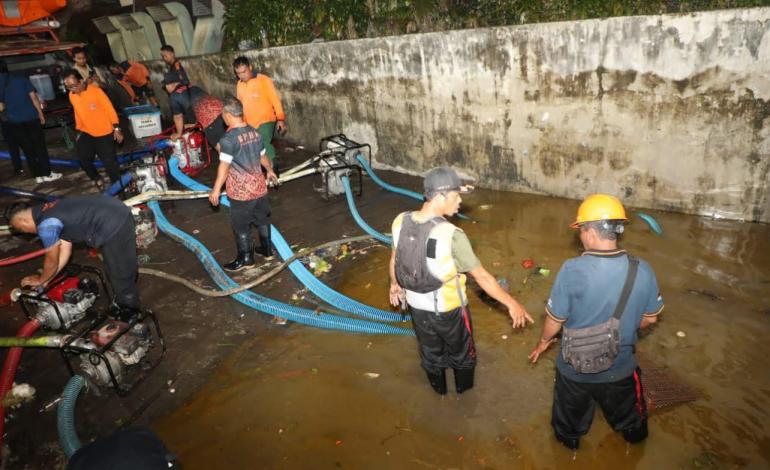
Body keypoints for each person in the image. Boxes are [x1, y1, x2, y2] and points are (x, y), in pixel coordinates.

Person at [528, 194, 664, 450]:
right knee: (633, 425)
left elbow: (555, 321)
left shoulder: (571, 269)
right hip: (620, 368)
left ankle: (569, 454)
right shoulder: (642, 269)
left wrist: (544, 342)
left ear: (590, 232)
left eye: (580, 230)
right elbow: (650, 318)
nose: (580, 236)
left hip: (574, 370)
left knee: (567, 430)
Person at [389, 167, 533, 395]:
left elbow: (396, 258)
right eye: (456, 196)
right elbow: (482, 276)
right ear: (440, 197)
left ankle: (440, 394)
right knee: (463, 355)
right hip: (450, 311)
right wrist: (512, 303)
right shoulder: (451, 234)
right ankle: (464, 397)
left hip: (417, 307)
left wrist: (395, 284)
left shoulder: (400, 221)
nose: (460, 202)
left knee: (430, 353)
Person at [7, 195, 141, 319]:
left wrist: (40, 280)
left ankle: (129, 311)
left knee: (119, 270)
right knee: (118, 263)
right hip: (115, 209)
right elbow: (65, 250)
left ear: (22, 221)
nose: (23, 232)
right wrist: (48, 279)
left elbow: (52, 261)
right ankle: (125, 294)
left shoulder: (46, 226)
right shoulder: (46, 209)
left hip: (112, 221)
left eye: (20, 229)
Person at [208, 96, 278, 271]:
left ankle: (246, 259)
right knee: (262, 219)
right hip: (260, 188)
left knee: (241, 226)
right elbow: (263, 156)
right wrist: (269, 171)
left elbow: (224, 167)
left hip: (241, 193)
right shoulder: (255, 132)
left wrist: (216, 190)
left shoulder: (228, 139)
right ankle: (267, 250)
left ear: (227, 114)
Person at [0, 61, 62, 184]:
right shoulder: (20, 79)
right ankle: (47, 173)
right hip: (31, 117)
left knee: (28, 149)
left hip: (14, 121)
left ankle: (37, 176)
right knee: (39, 146)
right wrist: (40, 113)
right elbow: (34, 97)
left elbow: (1, 108)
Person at [64, 69, 123, 190]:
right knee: (83, 159)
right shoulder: (72, 95)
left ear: (81, 81)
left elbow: (110, 109)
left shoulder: (96, 91)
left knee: (109, 163)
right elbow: (77, 112)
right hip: (87, 132)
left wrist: (117, 128)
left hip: (104, 132)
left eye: (74, 85)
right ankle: (96, 178)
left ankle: (119, 187)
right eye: (69, 87)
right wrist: (79, 130)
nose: (72, 89)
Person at [233, 56, 286, 165]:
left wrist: (280, 119)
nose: (242, 75)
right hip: (250, 123)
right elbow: (240, 104)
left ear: (250, 67)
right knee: (253, 148)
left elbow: (275, 100)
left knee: (263, 143)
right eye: (238, 73)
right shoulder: (239, 84)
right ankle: (263, 173)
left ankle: (274, 173)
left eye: (244, 72)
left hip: (266, 120)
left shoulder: (263, 80)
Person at [162, 71, 224, 149]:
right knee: (229, 140)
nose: (166, 88)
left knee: (221, 148)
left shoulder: (174, 96)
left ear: (170, 85)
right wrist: (192, 125)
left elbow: (178, 117)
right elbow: (200, 106)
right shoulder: (193, 87)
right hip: (223, 110)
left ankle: (228, 161)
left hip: (210, 118)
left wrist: (178, 133)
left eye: (166, 85)